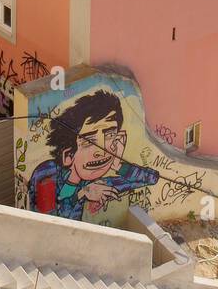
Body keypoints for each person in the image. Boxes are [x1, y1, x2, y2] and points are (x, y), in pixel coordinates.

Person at [27, 89, 158, 221]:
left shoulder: (98, 184)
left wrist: (118, 165)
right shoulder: (47, 173)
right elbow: (50, 221)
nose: (101, 151)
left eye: (110, 135)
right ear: (68, 155)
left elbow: (151, 178)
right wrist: (82, 194)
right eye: (89, 141)